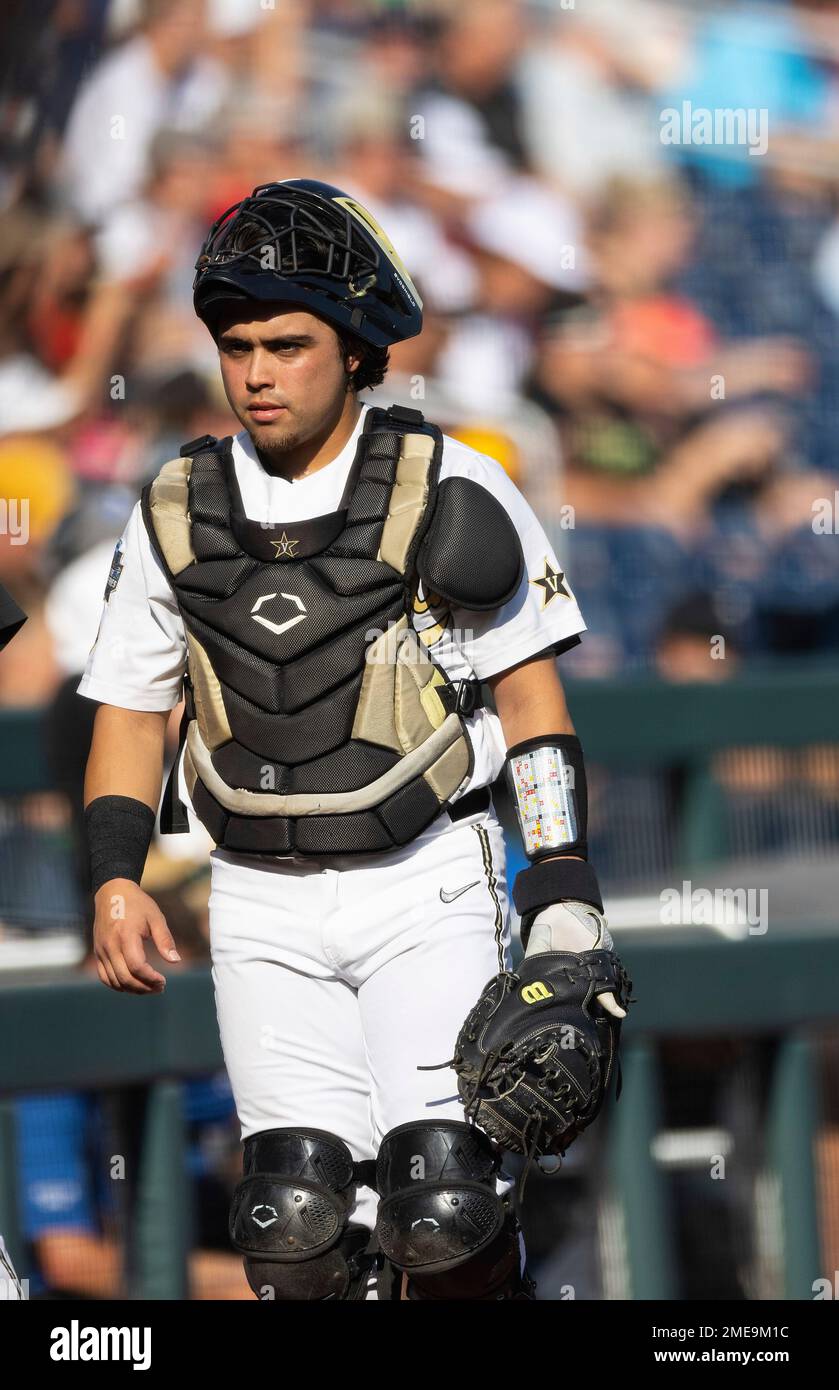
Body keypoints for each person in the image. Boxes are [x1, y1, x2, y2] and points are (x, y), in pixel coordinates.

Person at [79, 179, 629, 1301]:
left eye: (287, 342)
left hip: (422, 880)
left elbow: (530, 707)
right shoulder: (177, 505)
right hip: (255, 894)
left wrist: (563, 888)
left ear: (356, 347)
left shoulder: (452, 484)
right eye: (235, 345)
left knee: (442, 1207)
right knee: (292, 1226)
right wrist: (114, 879)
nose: (255, 371)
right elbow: (134, 712)